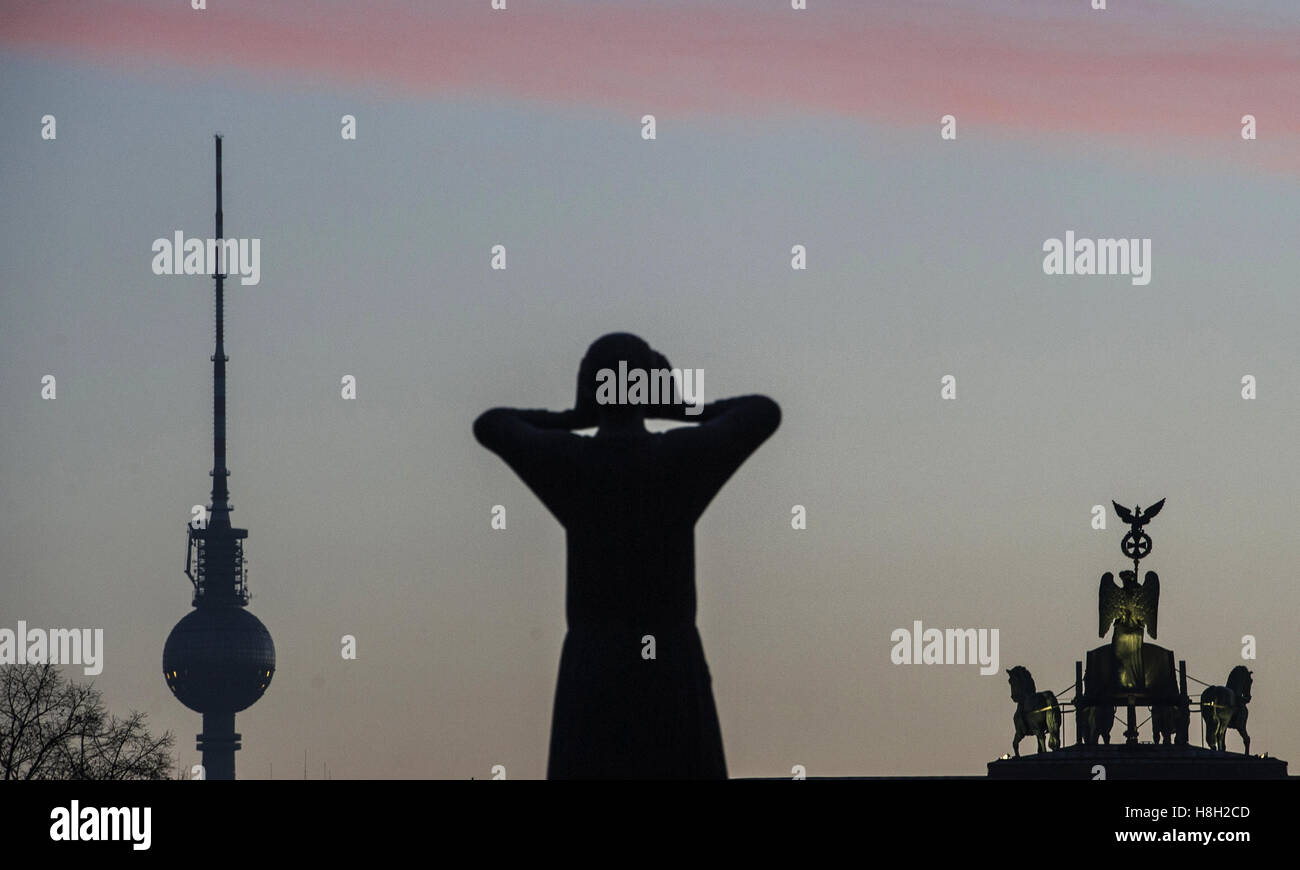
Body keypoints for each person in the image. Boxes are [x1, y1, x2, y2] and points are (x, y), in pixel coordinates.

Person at [473, 333, 780, 778]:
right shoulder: (678, 458)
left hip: (593, 665)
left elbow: (492, 424)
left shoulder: (573, 461)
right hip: (670, 663)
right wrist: (677, 408)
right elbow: (762, 412)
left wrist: (575, 417)